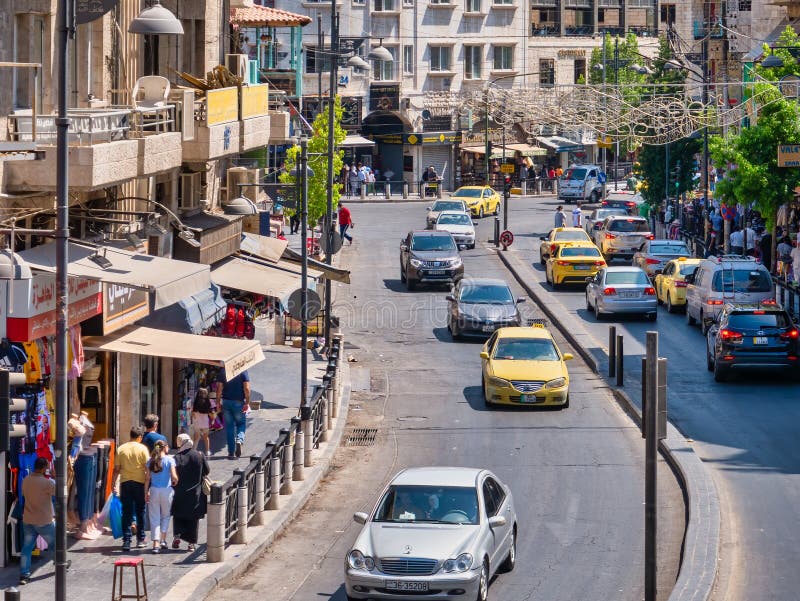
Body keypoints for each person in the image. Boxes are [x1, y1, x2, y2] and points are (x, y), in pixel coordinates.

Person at [19, 457, 56, 585]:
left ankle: (24, 575)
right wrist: (54, 476)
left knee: (27, 548)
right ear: (44, 468)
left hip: (28, 519)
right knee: (55, 544)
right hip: (43, 520)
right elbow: (59, 492)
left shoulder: (25, 480)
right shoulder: (47, 483)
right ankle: (60, 562)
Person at [113, 426, 150, 552]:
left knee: (127, 513)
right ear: (140, 437)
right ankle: (140, 539)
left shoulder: (121, 448)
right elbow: (147, 469)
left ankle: (127, 541)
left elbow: (116, 469)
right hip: (139, 483)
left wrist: (113, 483)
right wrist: (148, 486)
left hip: (126, 483)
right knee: (140, 511)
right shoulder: (143, 449)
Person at [171, 434, 210, 552]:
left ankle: (177, 536)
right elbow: (207, 471)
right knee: (193, 518)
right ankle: (191, 544)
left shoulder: (176, 458)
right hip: (195, 493)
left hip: (179, 493)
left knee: (178, 515)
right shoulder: (199, 455)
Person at [145, 441, 178, 554]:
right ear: (165, 448)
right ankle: (163, 539)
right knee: (166, 516)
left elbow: (147, 479)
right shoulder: (170, 460)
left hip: (154, 490)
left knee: (154, 517)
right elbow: (174, 477)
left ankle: (156, 543)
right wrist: (175, 481)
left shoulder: (150, 461)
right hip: (166, 491)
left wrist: (146, 492)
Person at [216, 369, 251, 459]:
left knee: (229, 427)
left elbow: (219, 389)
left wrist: (218, 403)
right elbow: (246, 388)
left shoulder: (223, 371)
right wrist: (247, 402)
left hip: (226, 402)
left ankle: (231, 452)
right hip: (239, 402)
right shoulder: (243, 371)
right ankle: (239, 440)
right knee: (241, 424)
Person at [192, 388, 213, 456]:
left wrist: (195, 417)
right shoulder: (208, 404)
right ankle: (207, 451)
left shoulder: (195, 404)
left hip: (197, 423)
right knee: (206, 438)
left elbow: (193, 413)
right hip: (205, 423)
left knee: (196, 438)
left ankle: (194, 450)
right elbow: (211, 415)